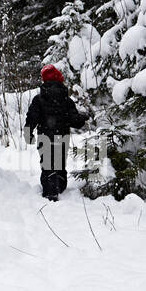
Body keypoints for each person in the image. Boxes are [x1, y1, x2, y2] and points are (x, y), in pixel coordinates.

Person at [24, 64, 87, 201]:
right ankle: (60, 186)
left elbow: (32, 117)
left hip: (45, 136)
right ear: (59, 79)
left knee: (47, 163)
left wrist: (28, 132)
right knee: (59, 162)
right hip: (62, 136)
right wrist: (82, 118)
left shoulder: (39, 99)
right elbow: (74, 120)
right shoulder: (66, 100)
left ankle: (50, 191)